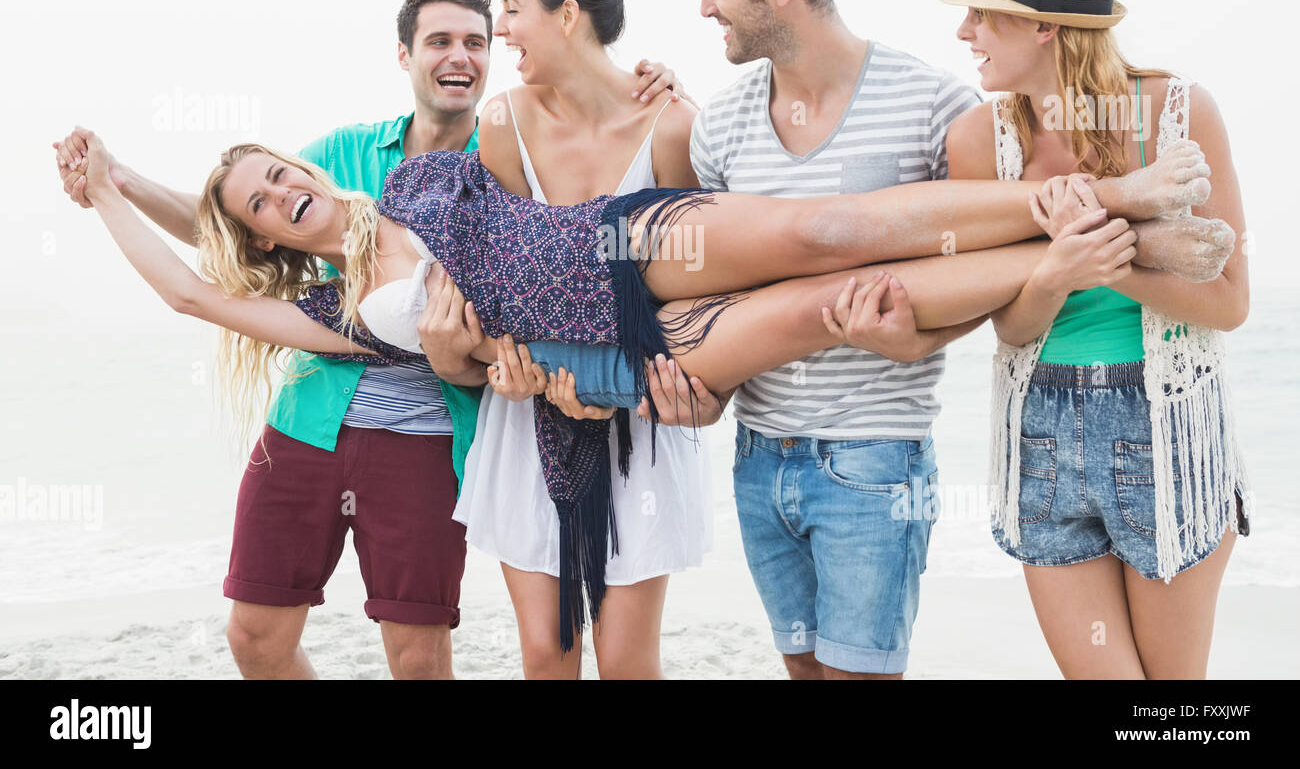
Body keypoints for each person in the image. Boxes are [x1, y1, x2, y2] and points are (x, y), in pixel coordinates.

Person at [70, 97, 1226, 654]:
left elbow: (559, 132)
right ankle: (1096, 251)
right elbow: (191, 286)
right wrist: (108, 192)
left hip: (624, 247)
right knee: (831, 305)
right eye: (264, 204)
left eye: (277, 171)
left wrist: (642, 107)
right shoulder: (333, 312)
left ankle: (1119, 202)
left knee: (836, 229)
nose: (283, 191)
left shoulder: (410, 177)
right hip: (618, 357)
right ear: (268, 236)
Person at [51, 0, 682, 680]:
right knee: (256, 637)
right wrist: (115, 184)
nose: (460, 55)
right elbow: (227, 230)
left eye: (477, 41)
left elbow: (567, 231)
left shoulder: (503, 153)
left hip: (437, 430)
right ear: (405, 55)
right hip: (313, 419)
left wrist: (643, 86)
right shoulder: (340, 162)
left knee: (425, 654)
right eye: (439, 40)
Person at [940, 0, 1251, 679]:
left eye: (982, 14)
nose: (965, 32)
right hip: (1039, 433)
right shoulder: (980, 143)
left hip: (1169, 429)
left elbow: (1232, 300)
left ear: (1045, 25)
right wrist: (1052, 277)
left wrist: (1117, 268)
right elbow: (1009, 329)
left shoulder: (1177, 113)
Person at [686, 0, 980, 680]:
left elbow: (987, 273)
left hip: (872, 461)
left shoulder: (935, 106)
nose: (704, 6)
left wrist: (917, 334)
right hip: (757, 456)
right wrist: (706, 388)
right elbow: (718, 296)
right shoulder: (719, 126)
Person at [451, 0, 715, 679]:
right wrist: (507, 364)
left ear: (567, 16)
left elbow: (696, 288)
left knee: (627, 661)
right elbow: (495, 280)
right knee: (546, 651)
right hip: (527, 418)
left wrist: (614, 389)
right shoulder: (503, 122)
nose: (499, 30)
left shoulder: (672, 127)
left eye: (511, 9)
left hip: (639, 424)